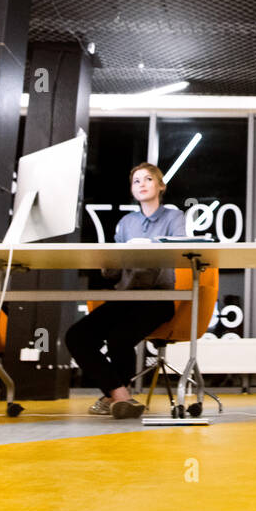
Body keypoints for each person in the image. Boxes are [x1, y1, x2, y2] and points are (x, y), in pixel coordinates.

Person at [64, 162, 186, 418]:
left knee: (119, 338)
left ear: (160, 185)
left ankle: (114, 396)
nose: (141, 184)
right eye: (136, 181)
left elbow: (179, 253)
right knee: (76, 336)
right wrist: (106, 263)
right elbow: (115, 273)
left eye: (148, 179)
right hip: (126, 297)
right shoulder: (125, 223)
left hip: (158, 298)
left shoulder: (173, 217)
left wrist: (144, 249)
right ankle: (121, 396)